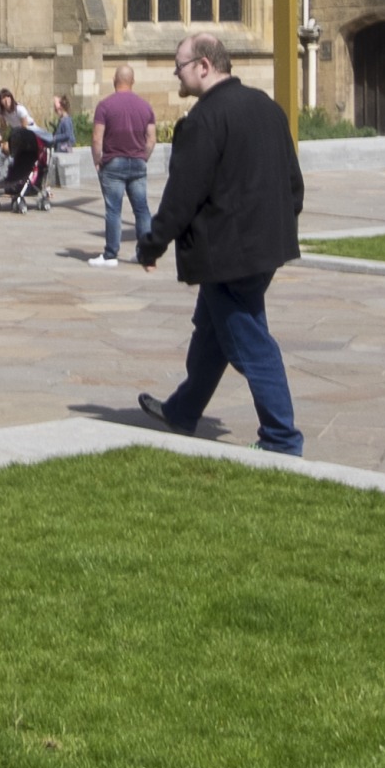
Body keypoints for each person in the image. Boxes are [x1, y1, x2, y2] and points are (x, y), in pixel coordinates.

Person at [133, 34, 305, 456]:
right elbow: (294, 185)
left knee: (250, 342)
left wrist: (152, 244)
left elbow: (183, 195)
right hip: (265, 247)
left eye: (180, 67)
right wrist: (276, 227)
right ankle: (182, 411)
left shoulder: (204, 120)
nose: (177, 74)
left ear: (204, 66)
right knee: (211, 332)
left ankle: (281, 439)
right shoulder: (268, 108)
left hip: (227, 254)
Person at [90, 66, 156, 267]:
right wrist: (143, 157)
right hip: (137, 162)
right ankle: (145, 254)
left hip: (113, 163)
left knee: (113, 210)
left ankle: (111, 255)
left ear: (114, 80)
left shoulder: (105, 106)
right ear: (132, 81)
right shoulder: (145, 107)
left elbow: (96, 138)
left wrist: (97, 160)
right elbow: (151, 138)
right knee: (142, 209)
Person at [0, 87, 46, 209]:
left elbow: (25, 127)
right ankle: (8, 182)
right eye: (3, 98)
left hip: (30, 132)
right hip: (17, 134)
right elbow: (3, 128)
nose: (6, 100)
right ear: (0, 101)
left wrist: (11, 142)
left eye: (8, 97)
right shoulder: (2, 113)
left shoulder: (19, 110)